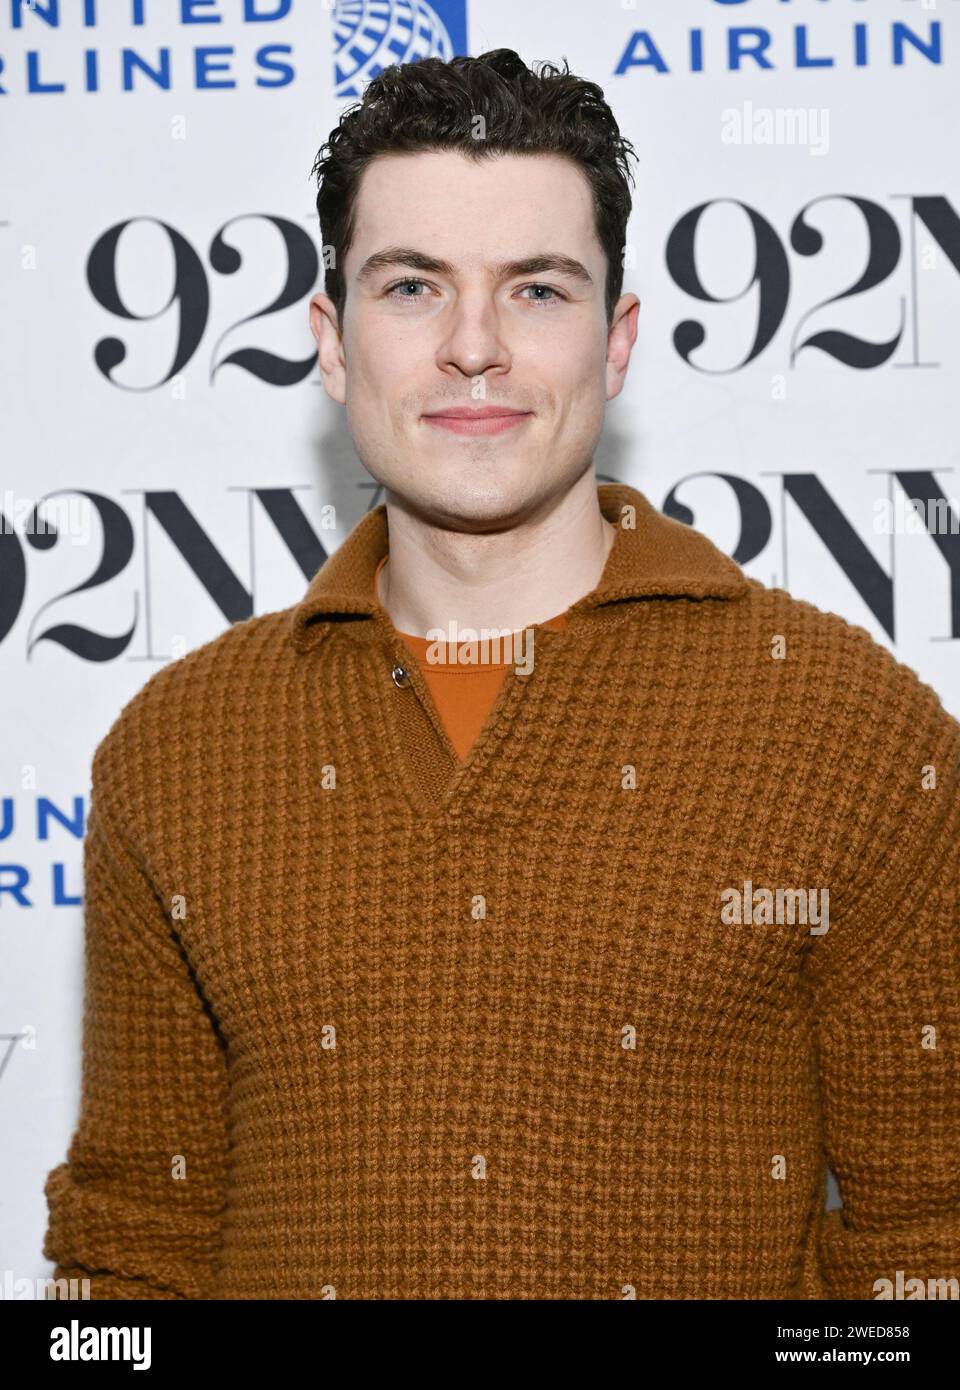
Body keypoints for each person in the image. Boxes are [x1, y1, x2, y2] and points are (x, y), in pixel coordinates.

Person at [44, 48, 959, 1301]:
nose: (473, 348)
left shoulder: (853, 732)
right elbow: (129, 1253)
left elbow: (929, 1248)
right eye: (413, 285)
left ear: (617, 336)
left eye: (536, 289)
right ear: (331, 338)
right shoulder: (177, 749)